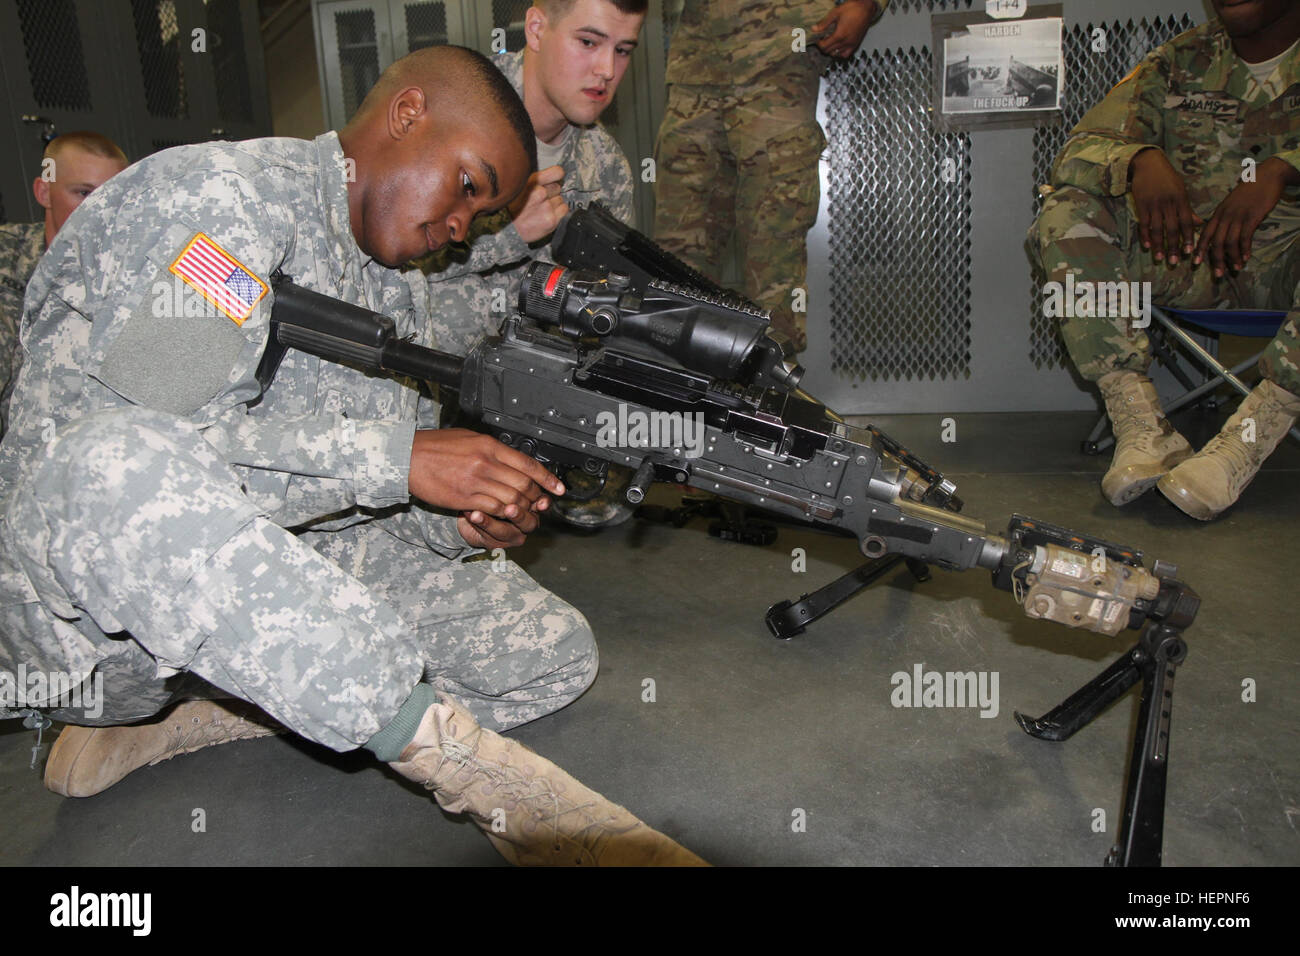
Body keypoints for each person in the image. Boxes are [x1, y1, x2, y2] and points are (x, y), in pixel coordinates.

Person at [0, 45, 702, 866]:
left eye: (480, 220)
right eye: (467, 186)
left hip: (248, 589)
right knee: (120, 462)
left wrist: (456, 520)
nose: (458, 227)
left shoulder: (394, 284)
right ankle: (498, 786)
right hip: (82, 621)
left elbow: (367, 493)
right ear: (408, 115)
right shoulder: (224, 209)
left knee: (547, 654)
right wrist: (400, 456)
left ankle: (192, 717)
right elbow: (155, 449)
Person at [1029, 0, 1300, 520]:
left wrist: (1282, 170)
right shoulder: (1179, 61)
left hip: (1286, 268)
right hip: (1189, 258)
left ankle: (1252, 432)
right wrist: (1138, 159)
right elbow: (1077, 152)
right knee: (1066, 210)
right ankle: (1143, 426)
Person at [652, 0, 888, 354]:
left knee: (774, 260)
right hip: (698, 59)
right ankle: (668, 388)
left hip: (783, 53)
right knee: (676, 258)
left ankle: (770, 390)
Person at [417, 0, 642, 357]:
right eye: (588, 42)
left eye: (623, 50)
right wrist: (509, 232)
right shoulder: (450, 117)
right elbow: (387, 273)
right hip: (423, 389)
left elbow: (608, 314)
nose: (607, 69)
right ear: (536, 29)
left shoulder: (607, 167)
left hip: (531, 395)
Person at [0, 132, 128, 433]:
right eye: (84, 193)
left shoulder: (136, 269)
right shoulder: (8, 260)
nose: (101, 210)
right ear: (44, 193)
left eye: (115, 196)